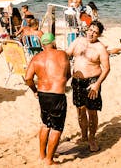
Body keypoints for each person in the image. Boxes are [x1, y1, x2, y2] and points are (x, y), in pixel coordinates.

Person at [24, 33, 71, 165]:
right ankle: (49, 160)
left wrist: (35, 91)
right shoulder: (62, 54)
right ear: (54, 43)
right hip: (57, 95)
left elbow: (27, 78)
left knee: (45, 124)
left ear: (42, 45)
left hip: (43, 94)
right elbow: (68, 74)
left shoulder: (36, 58)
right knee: (57, 127)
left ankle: (42, 155)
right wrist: (61, 82)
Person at [66, 20, 110, 152]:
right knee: (80, 110)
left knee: (92, 112)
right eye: (91, 30)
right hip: (77, 82)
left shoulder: (100, 48)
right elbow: (66, 55)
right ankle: (84, 135)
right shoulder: (78, 41)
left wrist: (97, 85)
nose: (91, 34)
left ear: (99, 35)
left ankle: (92, 138)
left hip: (92, 82)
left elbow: (107, 68)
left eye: (95, 32)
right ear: (87, 29)